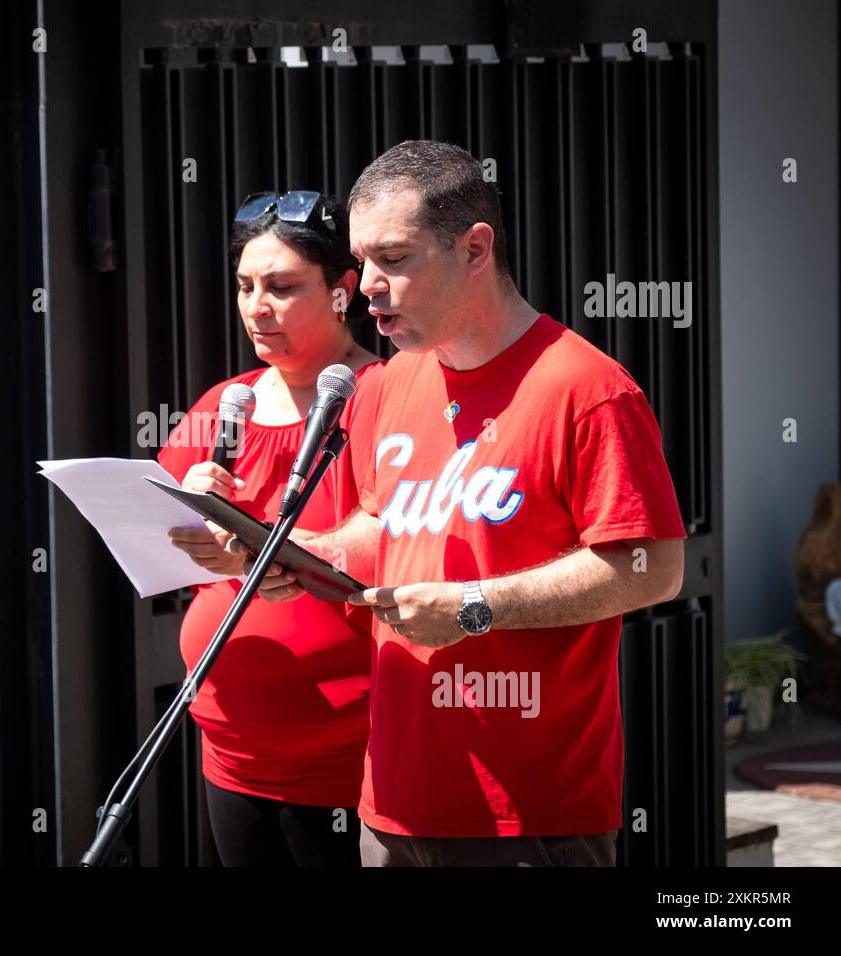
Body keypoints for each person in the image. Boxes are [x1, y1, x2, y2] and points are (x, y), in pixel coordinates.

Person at [258, 142, 687, 867]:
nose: (367, 287)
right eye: (363, 263)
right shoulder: (390, 383)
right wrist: (300, 557)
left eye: (394, 258)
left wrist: (474, 607)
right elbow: (383, 529)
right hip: (394, 801)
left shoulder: (587, 389)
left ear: (475, 248)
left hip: (528, 816)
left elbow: (652, 569)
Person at [157, 191, 384, 866]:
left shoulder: (388, 397)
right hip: (229, 746)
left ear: (344, 290)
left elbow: (402, 544)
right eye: (246, 286)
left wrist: (264, 552)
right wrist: (182, 516)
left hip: (345, 753)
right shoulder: (225, 403)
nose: (257, 307)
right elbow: (164, 553)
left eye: (283, 288)